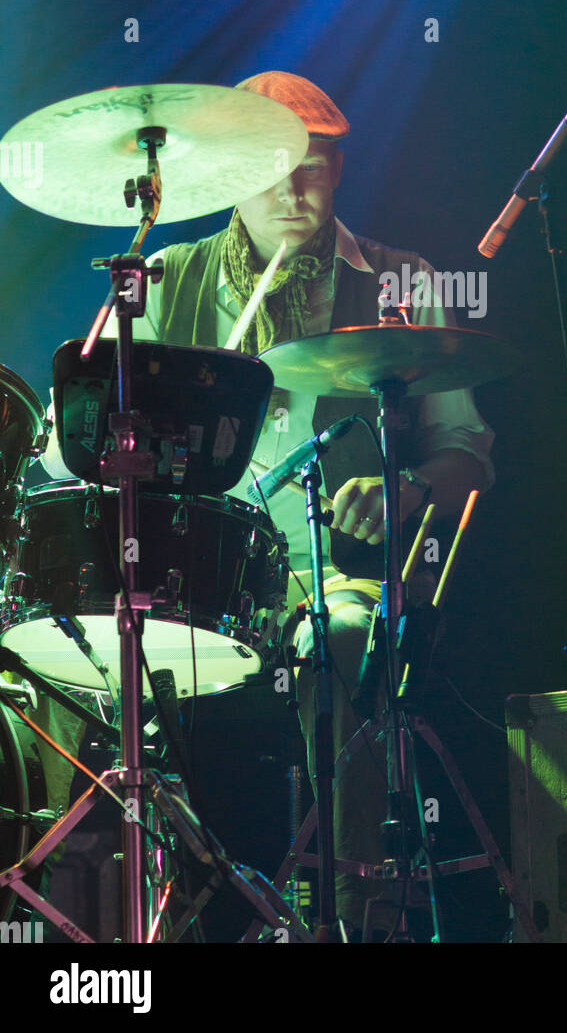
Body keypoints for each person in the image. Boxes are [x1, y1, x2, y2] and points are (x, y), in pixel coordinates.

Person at [39, 69, 494, 936]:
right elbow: (82, 447)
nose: (291, 187)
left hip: (335, 579)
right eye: (271, 165)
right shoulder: (166, 278)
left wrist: (406, 491)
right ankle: (120, 924)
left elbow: (468, 456)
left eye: (313, 165)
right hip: (190, 583)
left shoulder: (402, 283)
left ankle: (352, 913)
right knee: (82, 664)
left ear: (338, 170)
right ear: (229, 173)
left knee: (347, 640)